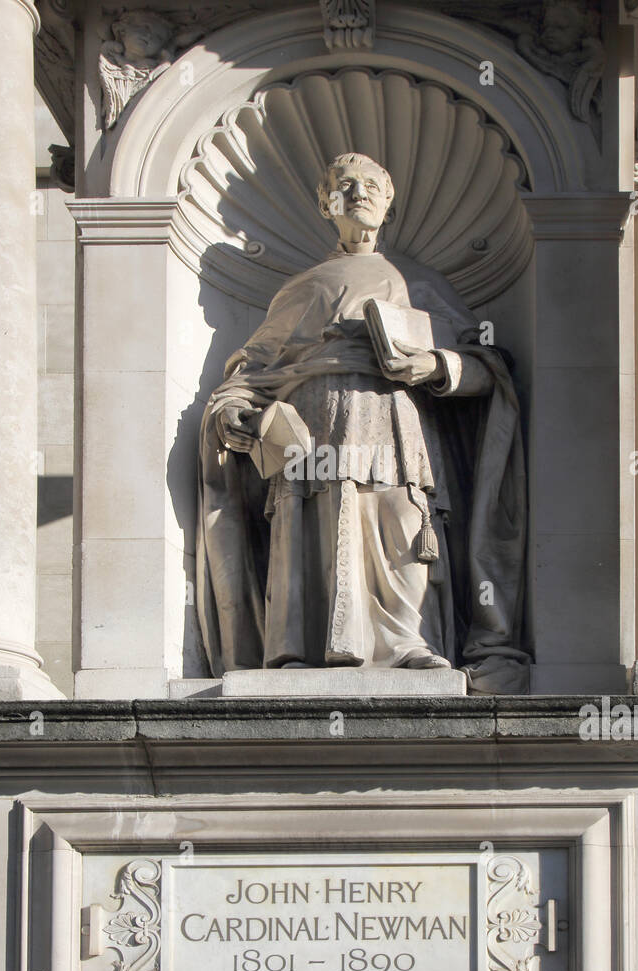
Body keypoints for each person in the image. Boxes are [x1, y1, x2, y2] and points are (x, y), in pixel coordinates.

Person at [196, 152, 529, 691]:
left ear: (389, 201)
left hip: (396, 416)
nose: (359, 192)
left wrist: (435, 364)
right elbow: (251, 370)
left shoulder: (416, 282)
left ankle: (409, 642)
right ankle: (297, 650)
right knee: (311, 524)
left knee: (400, 517)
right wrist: (233, 409)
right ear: (326, 202)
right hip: (309, 423)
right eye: (344, 184)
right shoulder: (302, 288)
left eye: (371, 183)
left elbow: (488, 365)